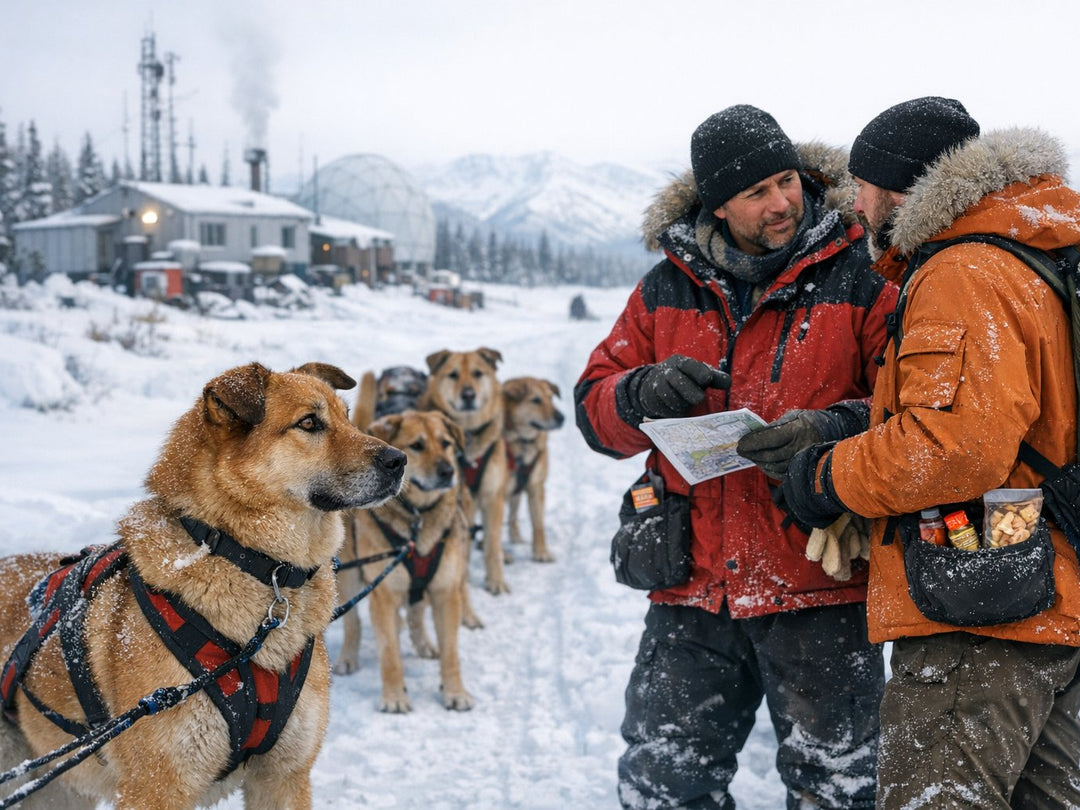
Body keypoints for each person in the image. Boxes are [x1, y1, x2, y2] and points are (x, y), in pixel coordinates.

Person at [574, 104, 898, 809]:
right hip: (691, 589)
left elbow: (907, 412)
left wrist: (829, 426)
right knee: (663, 785)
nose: (783, 202)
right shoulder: (665, 287)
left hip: (819, 584)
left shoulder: (860, 274)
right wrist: (640, 393)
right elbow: (594, 414)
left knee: (840, 792)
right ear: (718, 206)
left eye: (787, 181)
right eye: (757, 193)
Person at [778, 96, 1080, 807]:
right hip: (1052, 595)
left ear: (895, 185)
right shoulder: (1038, 247)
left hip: (980, 617)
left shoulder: (964, 271)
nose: (853, 203)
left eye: (861, 185)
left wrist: (825, 478)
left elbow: (954, 447)